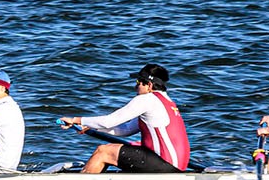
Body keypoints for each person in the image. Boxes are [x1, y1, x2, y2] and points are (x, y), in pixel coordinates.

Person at [61, 62, 191, 173]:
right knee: (111, 149)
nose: (135, 86)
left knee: (103, 151)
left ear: (149, 85)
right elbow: (126, 130)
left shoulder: (147, 99)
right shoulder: (167, 102)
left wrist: (75, 120)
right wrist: (92, 127)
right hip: (175, 165)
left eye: (138, 82)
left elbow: (108, 121)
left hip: (166, 164)